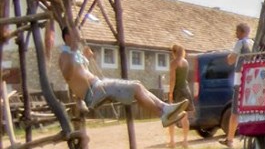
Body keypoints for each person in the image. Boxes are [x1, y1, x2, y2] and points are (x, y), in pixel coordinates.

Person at [48, 24, 186, 128]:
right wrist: (74, 55)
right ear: (67, 37)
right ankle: (163, 114)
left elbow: (81, 73)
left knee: (137, 84)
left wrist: (86, 58)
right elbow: (67, 75)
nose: (78, 37)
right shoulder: (65, 55)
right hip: (94, 92)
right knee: (136, 89)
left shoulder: (73, 53)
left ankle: (165, 108)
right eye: (75, 35)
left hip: (97, 85)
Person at [220, 21, 253, 146]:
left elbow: (231, 60)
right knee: (249, 108)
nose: (235, 34)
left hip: (240, 78)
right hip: (251, 78)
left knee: (236, 110)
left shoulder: (240, 43)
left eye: (237, 31)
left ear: (241, 32)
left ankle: (230, 139)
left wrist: (229, 57)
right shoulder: (252, 43)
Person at [166, 43, 194, 148]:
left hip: (177, 91)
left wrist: (170, 93)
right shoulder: (186, 62)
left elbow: (173, 80)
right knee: (185, 117)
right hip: (186, 90)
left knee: (171, 116)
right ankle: (185, 141)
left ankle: (172, 142)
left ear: (174, 52)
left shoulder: (173, 63)